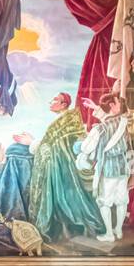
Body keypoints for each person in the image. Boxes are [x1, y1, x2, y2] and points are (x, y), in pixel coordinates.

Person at [16, 93, 102, 242]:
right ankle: (65, 224)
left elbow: (50, 146)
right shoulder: (62, 121)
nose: (51, 102)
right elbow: (50, 143)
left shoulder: (64, 121)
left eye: (55, 99)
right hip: (60, 165)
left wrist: (31, 142)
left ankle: (62, 225)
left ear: (64, 104)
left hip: (60, 166)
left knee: (62, 197)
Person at [77, 92, 133, 243]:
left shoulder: (100, 129)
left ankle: (109, 234)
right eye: (119, 103)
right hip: (123, 168)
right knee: (122, 200)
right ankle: (118, 230)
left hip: (107, 170)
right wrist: (96, 107)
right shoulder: (123, 121)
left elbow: (86, 148)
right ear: (112, 106)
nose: (121, 105)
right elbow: (108, 119)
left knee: (104, 202)